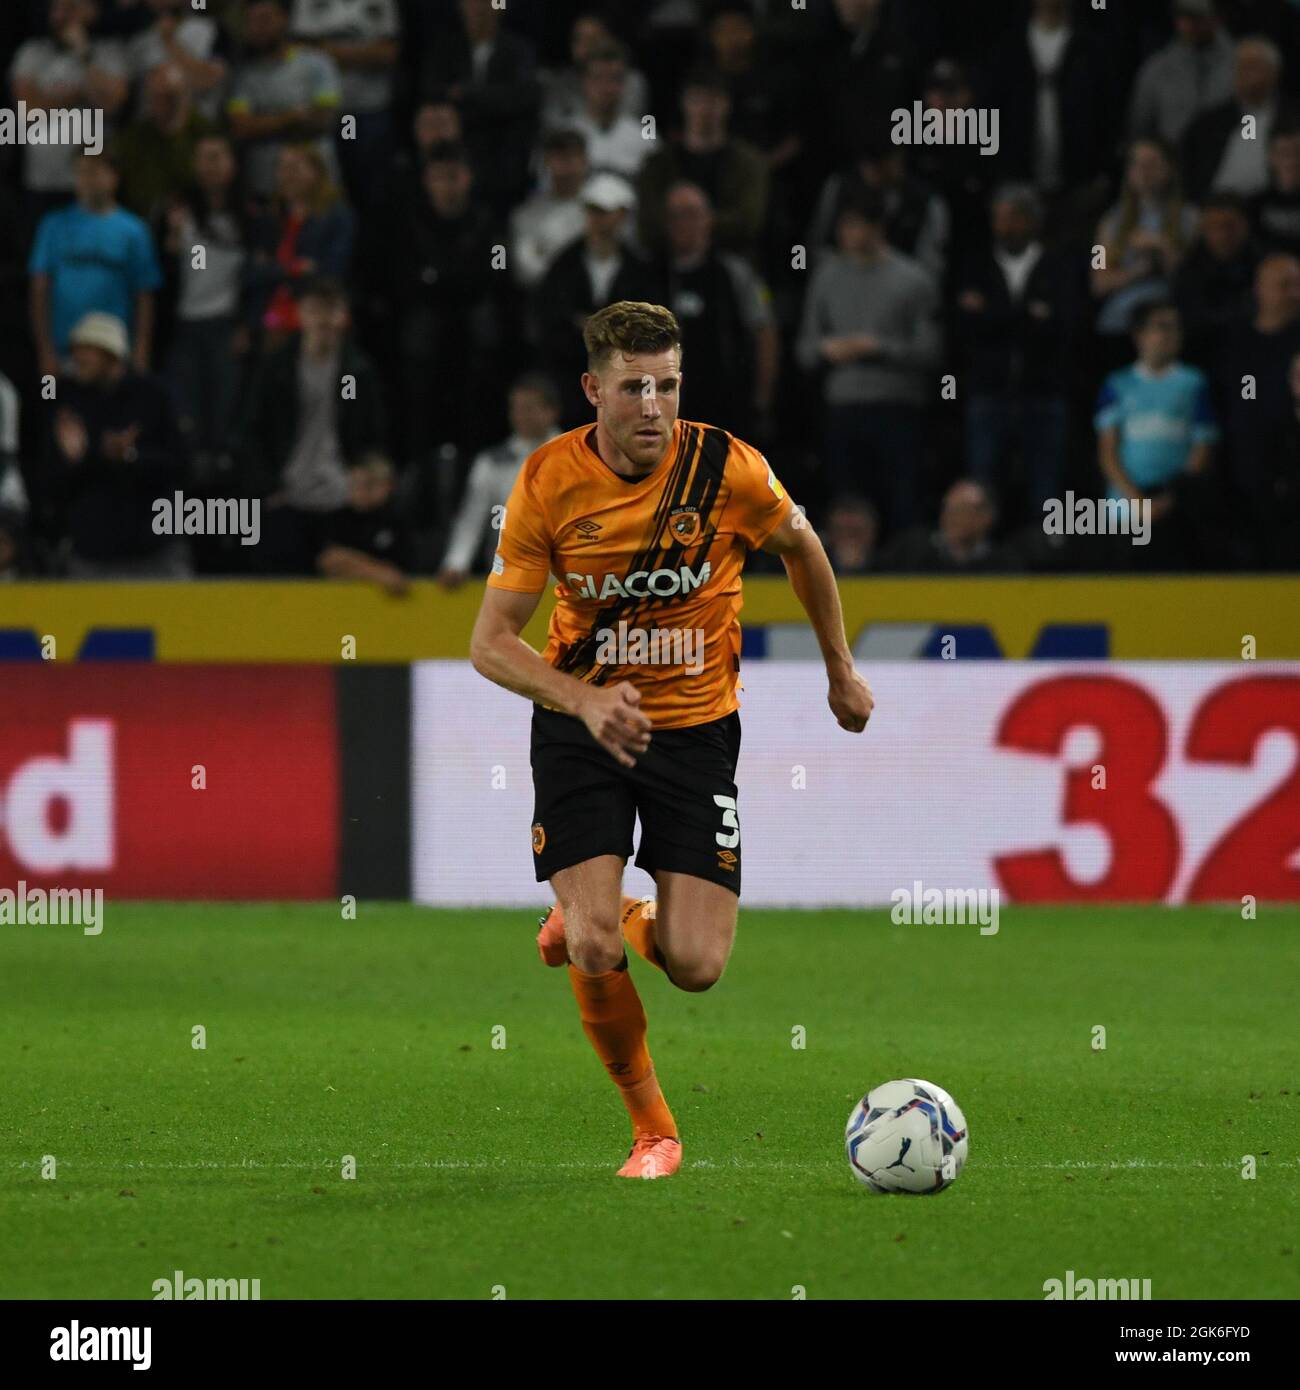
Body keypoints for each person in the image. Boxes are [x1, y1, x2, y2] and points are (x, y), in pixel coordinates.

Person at [468, 300, 873, 1179]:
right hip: (583, 732)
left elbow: (803, 552)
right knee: (596, 948)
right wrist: (580, 699)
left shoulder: (728, 468)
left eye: (668, 386)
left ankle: (605, 914)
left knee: (696, 966)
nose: (653, 405)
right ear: (593, 390)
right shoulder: (547, 480)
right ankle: (655, 1131)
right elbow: (489, 642)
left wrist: (839, 668)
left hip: (696, 735)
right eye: (633, 387)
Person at [795, 187, 941, 530]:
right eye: (844, 227)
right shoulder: (826, 277)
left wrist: (878, 347)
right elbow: (805, 347)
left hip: (898, 407)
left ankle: (905, 572)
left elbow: (932, 351)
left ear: (878, 228)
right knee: (847, 502)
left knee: (901, 500)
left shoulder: (913, 280)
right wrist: (825, 350)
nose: (848, 235)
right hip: (842, 407)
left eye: (856, 226)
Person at [954, 184, 1075, 515]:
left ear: (1033, 221)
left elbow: (1064, 326)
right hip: (988, 392)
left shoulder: (1057, 265)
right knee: (982, 486)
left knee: (1046, 486)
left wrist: (993, 314)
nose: (1005, 227)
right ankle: (979, 558)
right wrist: (1027, 316)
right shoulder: (976, 265)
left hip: (1043, 393)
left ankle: (1044, 555)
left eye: (1014, 218)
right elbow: (966, 326)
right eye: (999, 219)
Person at [47, 311, 190, 576]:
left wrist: (131, 455)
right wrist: (78, 460)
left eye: (87, 350)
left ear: (110, 354)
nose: (78, 358)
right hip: (92, 554)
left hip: (153, 551)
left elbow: (179, 465)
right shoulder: (69, 401)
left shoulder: (152, 395)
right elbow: (53, 481)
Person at [1095, 301, 1218, 565]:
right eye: (1162, 327)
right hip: (1125, 507)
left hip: (1177, 507)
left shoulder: (1194, 383)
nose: (1171, 334)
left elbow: (1202, 445)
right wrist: (1139, 503)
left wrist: (1172, 498)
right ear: (1139, 335)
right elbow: (1108, 452)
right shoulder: (1116, 384)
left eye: (1176, 328)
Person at [535, 173, 662, 427]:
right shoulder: (563, 266)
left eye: (605, 212)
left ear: (623, 215)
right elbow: (547, 318)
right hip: (570, 382)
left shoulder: (641, 270)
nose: (598, 220)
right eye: (593, 211)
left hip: (626, 385)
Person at [29, 148, 163, 379]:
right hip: (64, 352)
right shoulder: (53, 225)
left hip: (114, 352)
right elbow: (40, 289)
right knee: (60, 412)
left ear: (114, 176)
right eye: (81, 172)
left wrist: (141, 350)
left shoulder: (134, 230)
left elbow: (144, 295)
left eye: (95, 171)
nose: (87, 179)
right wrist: (45, 350)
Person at [660, 182, 778, 440]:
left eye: (691, 213)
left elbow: (764, 331)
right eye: (675, 215)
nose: (683, 223)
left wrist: (761, 399)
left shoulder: (736, 273)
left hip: (727, 405)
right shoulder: (649, 276)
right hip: (665, 410)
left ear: (708, 219)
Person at [9, 0, 129, 223]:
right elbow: (29, 112)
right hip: (44, 180)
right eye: (56, 8)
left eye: (71, 7)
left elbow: (112, 103)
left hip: (95, 181)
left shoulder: (110, 52)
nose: (61, 15)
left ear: (92, 12)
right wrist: (81, 94)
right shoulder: (32, 53)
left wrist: (84, 53)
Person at [438, 373, 561, 587]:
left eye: (529, 408)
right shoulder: (491, 462)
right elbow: (472, 518)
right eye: (516, 408)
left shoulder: (579, 456)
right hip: (509, 580)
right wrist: (456, 563)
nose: (521, 416)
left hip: (567, 581)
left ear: (552, 411)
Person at [637, 67, 768, 261]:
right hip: (667, 262)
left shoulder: (748, 162)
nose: (705, 109)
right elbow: (647, 221)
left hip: (731, 259)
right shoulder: (658, 163)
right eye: (697, 99)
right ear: (684, 104)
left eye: (713, 100)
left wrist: (687, 223)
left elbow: (748, 221)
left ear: (727, 105)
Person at [1091, 138, 1197, 371]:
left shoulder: (1190, 218)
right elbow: (1098, 281)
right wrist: (1136, 272)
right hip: (1119, 325)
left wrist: (1161, 247)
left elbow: (1192, 277)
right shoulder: (1110, 223)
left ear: (1169, 169)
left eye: (1151, 164)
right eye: (1136, 164)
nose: (1143, 172)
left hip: (1166, 325)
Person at [226, 0, 343, 202]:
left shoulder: (317, 63)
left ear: (284, 19)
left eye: (265, 19)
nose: (258, 28)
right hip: (265, 185)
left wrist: (263, 124)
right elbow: (241, 127)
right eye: (252, 22)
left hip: (317, 182)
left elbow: (323, 119)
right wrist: (292, 117)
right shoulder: (244, 75)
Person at [1182, 36, 1298, 201]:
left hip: (1275, 207)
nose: (1243, 73)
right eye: (1239, 67)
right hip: (1218, 206)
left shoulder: (1293, 118)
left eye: (1252, 66)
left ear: (1274, 72)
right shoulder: (1207, 124)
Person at [1127, 0, 1234, 149]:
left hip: (1228, 163)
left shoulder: (1241, 64)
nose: (1190, 24)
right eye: (1183, 16)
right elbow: (1140, 131)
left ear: (1217, 18)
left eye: (1197, 17)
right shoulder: (1157, 69)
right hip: (1173, 162)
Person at [876, 479, 1017, 574]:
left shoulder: (1003, 563)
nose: (952, 517)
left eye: (962, 510)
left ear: (987, 516)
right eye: (948, 508)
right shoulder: (912, 550)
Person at [509, 129, 590, 291]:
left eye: (573, 157)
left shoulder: (604, 209)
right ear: (547, 162)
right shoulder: (526, 215)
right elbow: (524, 270)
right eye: (560, 159)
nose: (567, 167)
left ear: (585, 161)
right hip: (547, 300)